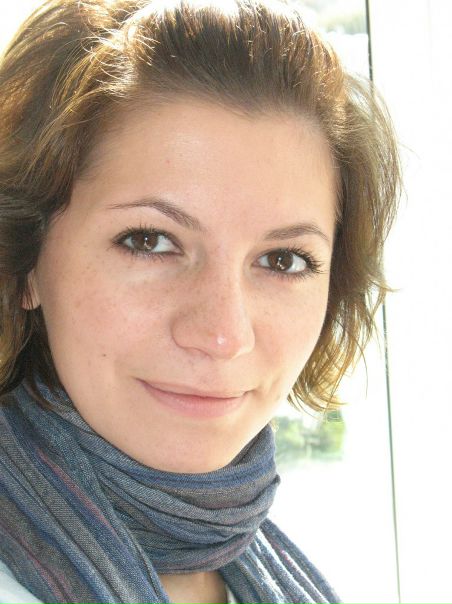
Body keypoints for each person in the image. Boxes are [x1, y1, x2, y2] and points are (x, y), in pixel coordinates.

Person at [0, 0, 400, 602]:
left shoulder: (276, 565)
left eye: (283, 260)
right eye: (150, 241)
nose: (223, 334)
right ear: (24, 261)